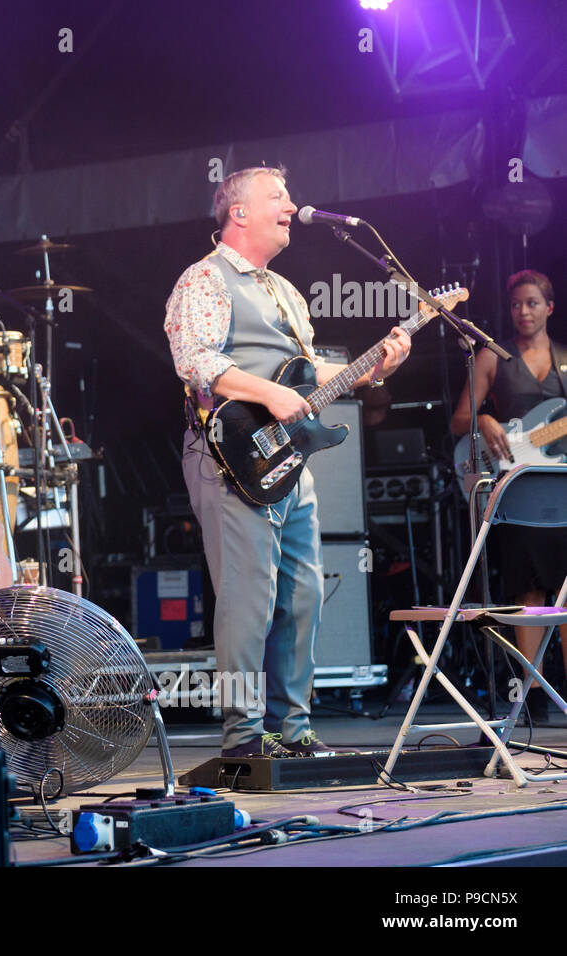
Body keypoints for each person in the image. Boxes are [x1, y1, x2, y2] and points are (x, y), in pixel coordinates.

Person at [164, 166, 411, 758]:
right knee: (246, 599)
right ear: (238, 212)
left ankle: (293, 731)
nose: (292, 205)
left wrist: (377, 365)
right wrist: (268, 393)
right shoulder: (204, 279)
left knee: (302, 592)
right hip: (229, 455)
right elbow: (194, 360)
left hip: (288, 461)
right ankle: (244, 736)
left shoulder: (286, 292)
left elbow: (311, 376)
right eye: (277, 196)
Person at [451, 269, 567, 723]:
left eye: (533, 303)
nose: (523, 311)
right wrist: (483, 420)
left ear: (550, 308)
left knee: (563, 589)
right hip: (514, 487)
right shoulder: (491, 357)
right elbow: (460, 419)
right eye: (516, 304)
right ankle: (533, 688)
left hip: (558, 488)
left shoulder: (563, 357)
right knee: (527, 588)